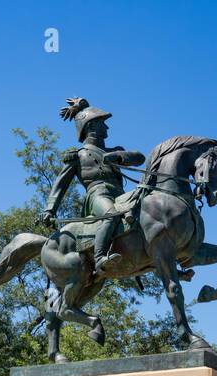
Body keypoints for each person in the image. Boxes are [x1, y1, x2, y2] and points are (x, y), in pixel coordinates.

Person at [45, 97, 145, 276]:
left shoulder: (114, 150)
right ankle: (100, 259)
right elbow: (61, 184)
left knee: (150, 211)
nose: (107, 127)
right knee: (111, 215)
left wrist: (119, 156)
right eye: (102, 124)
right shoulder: (77, 156)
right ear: (91, 126)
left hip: (121, 195)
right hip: (98, 194)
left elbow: (140, 158)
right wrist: (50, 210)